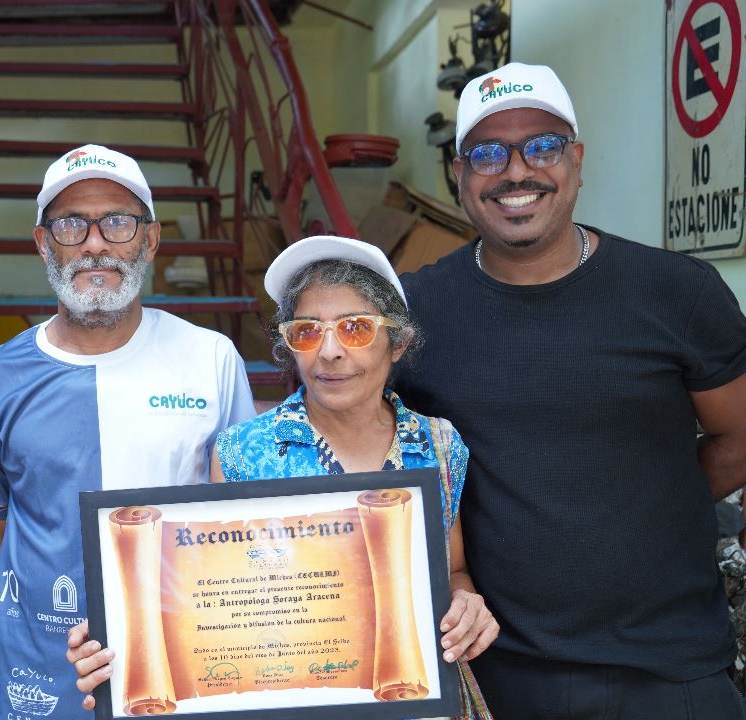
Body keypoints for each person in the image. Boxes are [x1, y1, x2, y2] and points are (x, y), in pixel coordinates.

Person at [396, 62, 746, 718]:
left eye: (544, 147)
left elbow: (741, 432)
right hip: (495, 669)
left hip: (671, 671)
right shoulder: (416, 310)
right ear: (461, 173)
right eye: (488, 153)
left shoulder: (678, 292)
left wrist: (655, 502)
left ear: (577, 160)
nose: (516, 172)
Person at [67, 236, 497, 716]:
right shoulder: (242, 454)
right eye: (307, 331)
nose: (329, 351)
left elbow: (452, 569)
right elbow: (210, 600)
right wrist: (118, 642)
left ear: (396, 342)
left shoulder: (437, 446)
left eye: (355, 328)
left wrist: (467, 602)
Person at [0, 144, 256, 719]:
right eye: (70, 223)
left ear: (150, 239)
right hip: (41, 672)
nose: (94, 242)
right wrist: (55, 606)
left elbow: (235, 516)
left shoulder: (210, 359)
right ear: (43, 243)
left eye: (117, 221)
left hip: (178, 661)